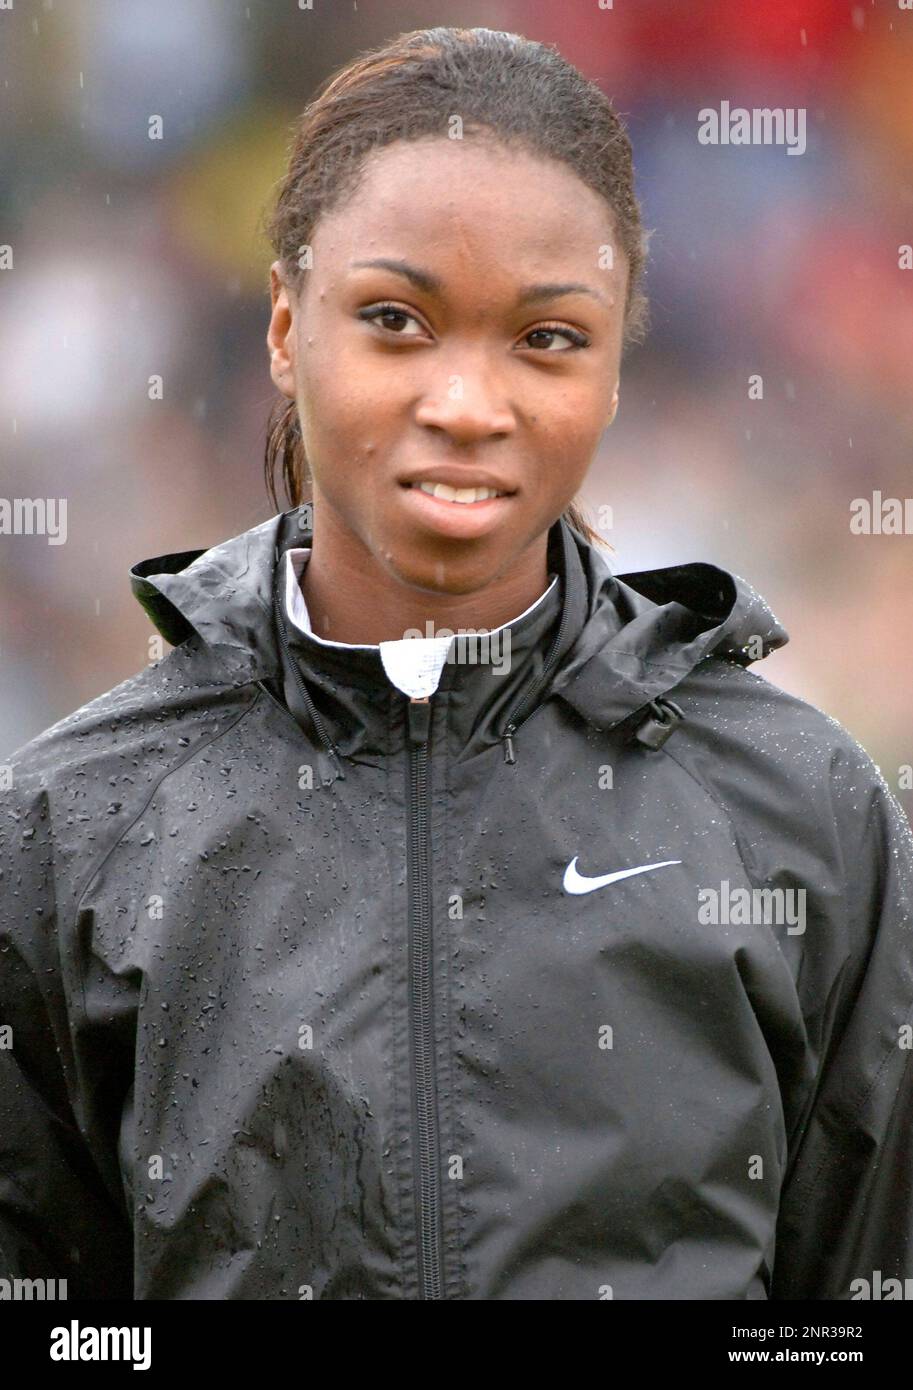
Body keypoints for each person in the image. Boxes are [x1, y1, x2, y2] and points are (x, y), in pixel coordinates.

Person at [1, 25, 912, 1302]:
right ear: (281, 325)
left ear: (611, 370)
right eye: (395, 320)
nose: (469, 404)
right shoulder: (67, 830)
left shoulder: (799, 811)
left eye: (547, 338)